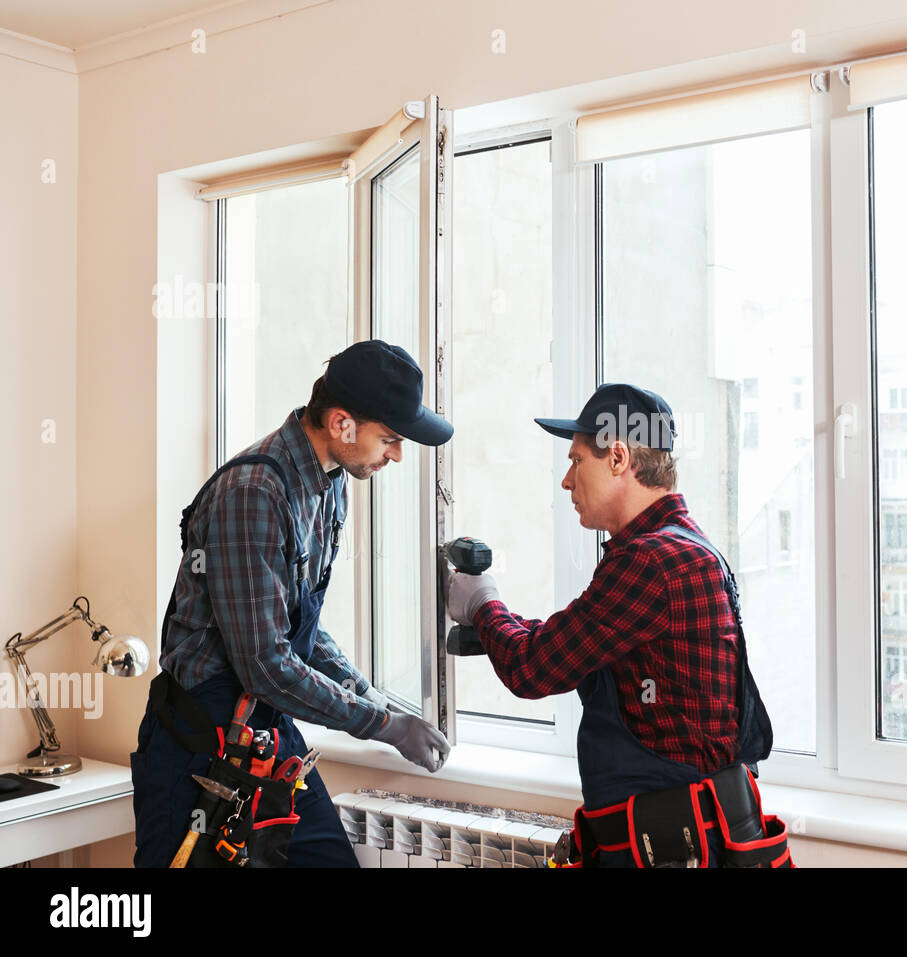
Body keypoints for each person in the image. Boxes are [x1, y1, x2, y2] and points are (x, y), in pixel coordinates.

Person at [132, 340, 452, 868]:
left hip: (264, 732)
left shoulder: (329, 485)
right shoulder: (254, 492)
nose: (395, 454)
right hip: (199, 744)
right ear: (341, 423)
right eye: (390, 438)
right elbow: (266, 664)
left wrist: (368, 695)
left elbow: (301, 628)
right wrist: (382, 726)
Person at [446, 383, 792, 867]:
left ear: (618, 458)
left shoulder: (650, 561)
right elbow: (570, 641)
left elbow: (532, 668)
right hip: (686, 837)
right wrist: (493, 623)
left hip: (675, 845)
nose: (567, 481)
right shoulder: (686, 548)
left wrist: (482, 603)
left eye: (576, 460)